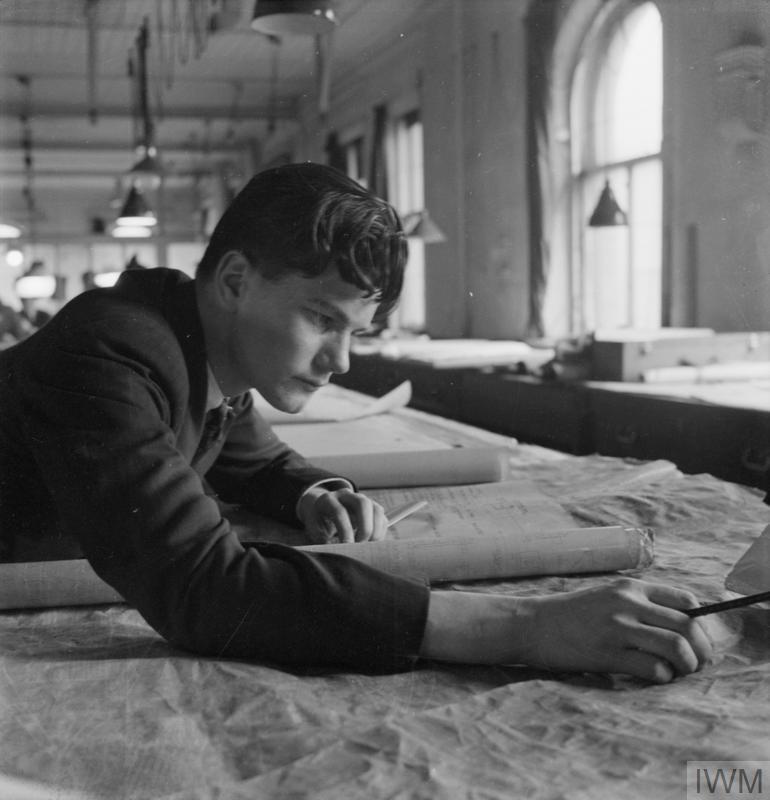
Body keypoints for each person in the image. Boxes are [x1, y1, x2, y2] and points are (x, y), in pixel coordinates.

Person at [0, 163, 712, 682]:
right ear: (236, 281)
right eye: (321, 319)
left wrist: (319, 494)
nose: (340, 361)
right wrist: (527, 626)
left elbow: (261, 462)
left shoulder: (201, 344)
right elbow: (206, 591)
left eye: (357, 333)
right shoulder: (115, 348)